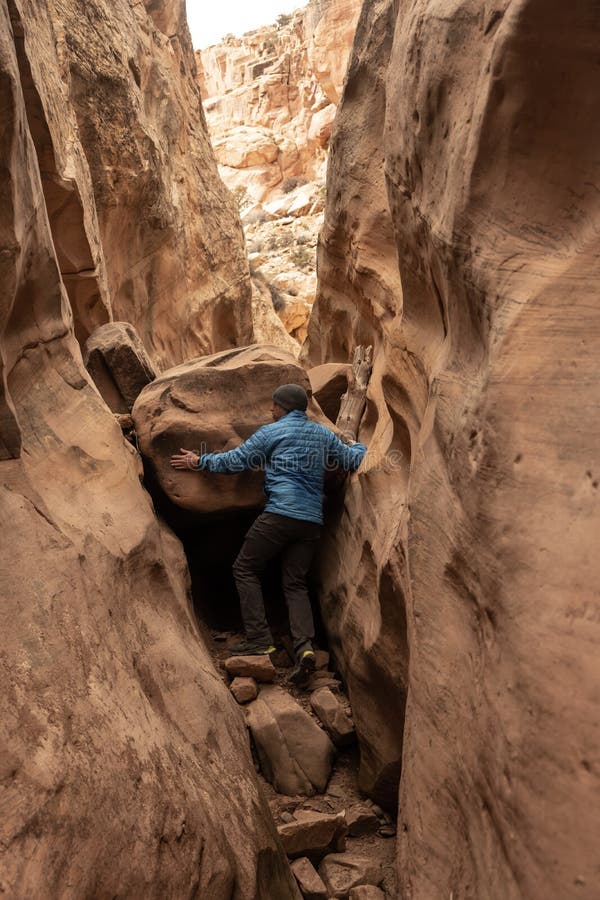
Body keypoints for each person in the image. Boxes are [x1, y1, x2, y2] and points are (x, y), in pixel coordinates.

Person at [170, 383, 367, 685]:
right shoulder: (322, 434)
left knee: (244, 568)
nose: (270, 409)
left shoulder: (271, 433)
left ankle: (260, 639)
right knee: (295, 583)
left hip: (280, 514)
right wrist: (357, 445)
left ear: (284, 407)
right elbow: (353, 459)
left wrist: (199, 461)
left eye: (274, 404)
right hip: (311, 521)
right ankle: (304, 648)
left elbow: (234, 461)